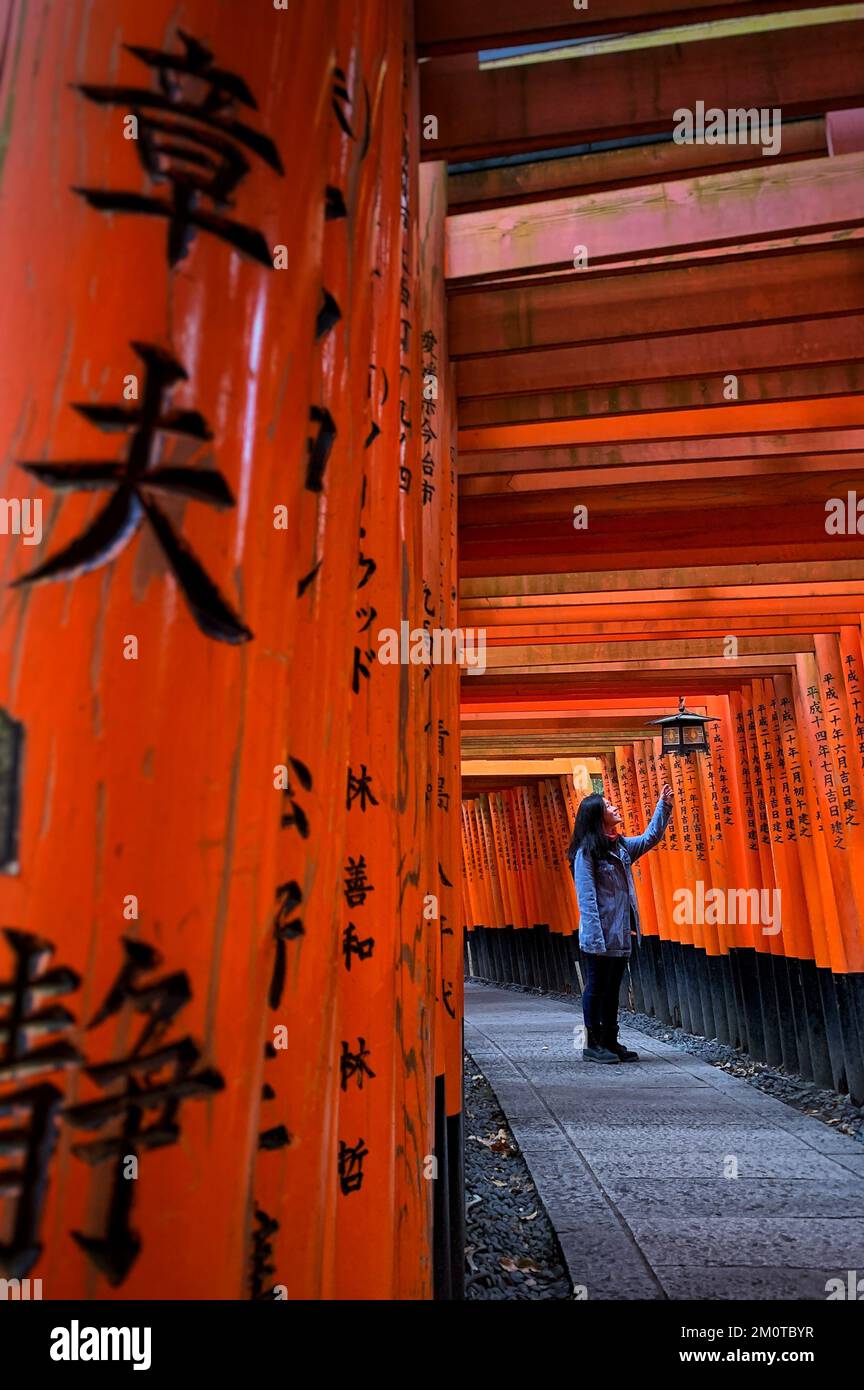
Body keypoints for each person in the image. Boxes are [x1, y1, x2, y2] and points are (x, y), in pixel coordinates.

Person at [567, 784, 673, 1064]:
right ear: (598, 816)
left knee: (613, 988)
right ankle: (592, 1043)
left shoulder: (621, 846)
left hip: (620, 934)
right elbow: (587, 898)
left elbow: (651, 838)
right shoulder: (586, 854)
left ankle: (611, 1041)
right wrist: (595, 939)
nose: (614, 807)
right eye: (608, 806)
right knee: (596, 986)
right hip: (599, 936)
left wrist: (664, 805)